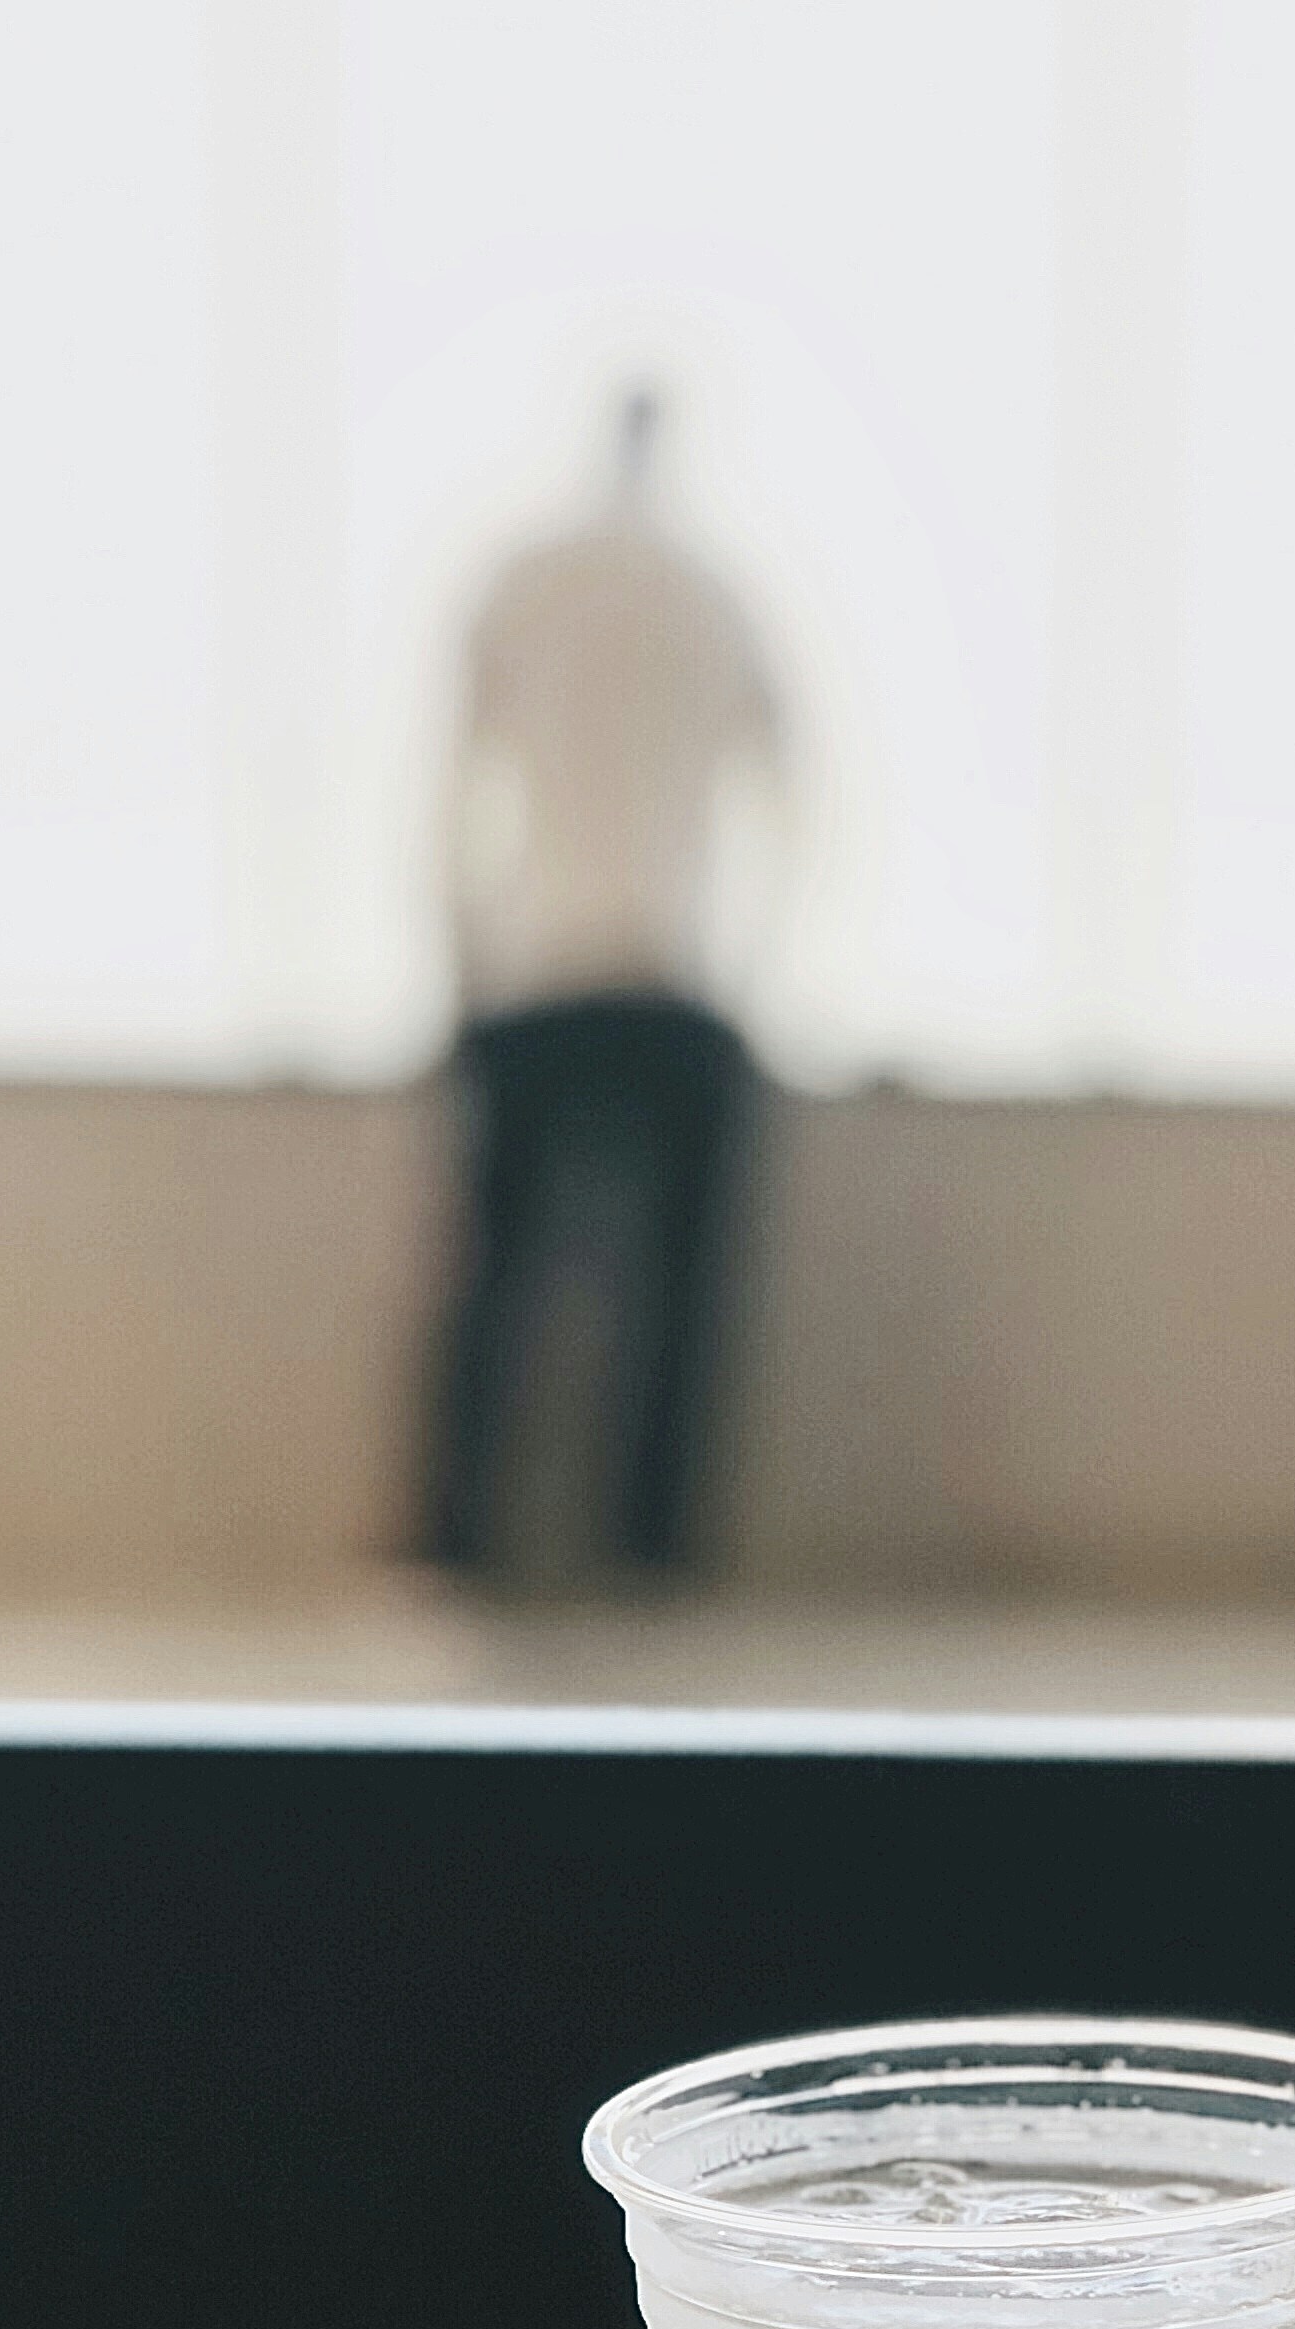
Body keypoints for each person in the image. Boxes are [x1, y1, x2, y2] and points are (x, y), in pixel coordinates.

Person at [420, 387, 788, 1585]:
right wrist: (745, 973)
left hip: (540, 974)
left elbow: (451, 794)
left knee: (499, 1283)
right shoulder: (714, 594)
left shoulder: (527, 578)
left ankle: (461, 1539)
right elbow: (794, 799)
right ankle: (648, 1547)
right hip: (667, 983)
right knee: (671, 1304)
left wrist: (462, 968)